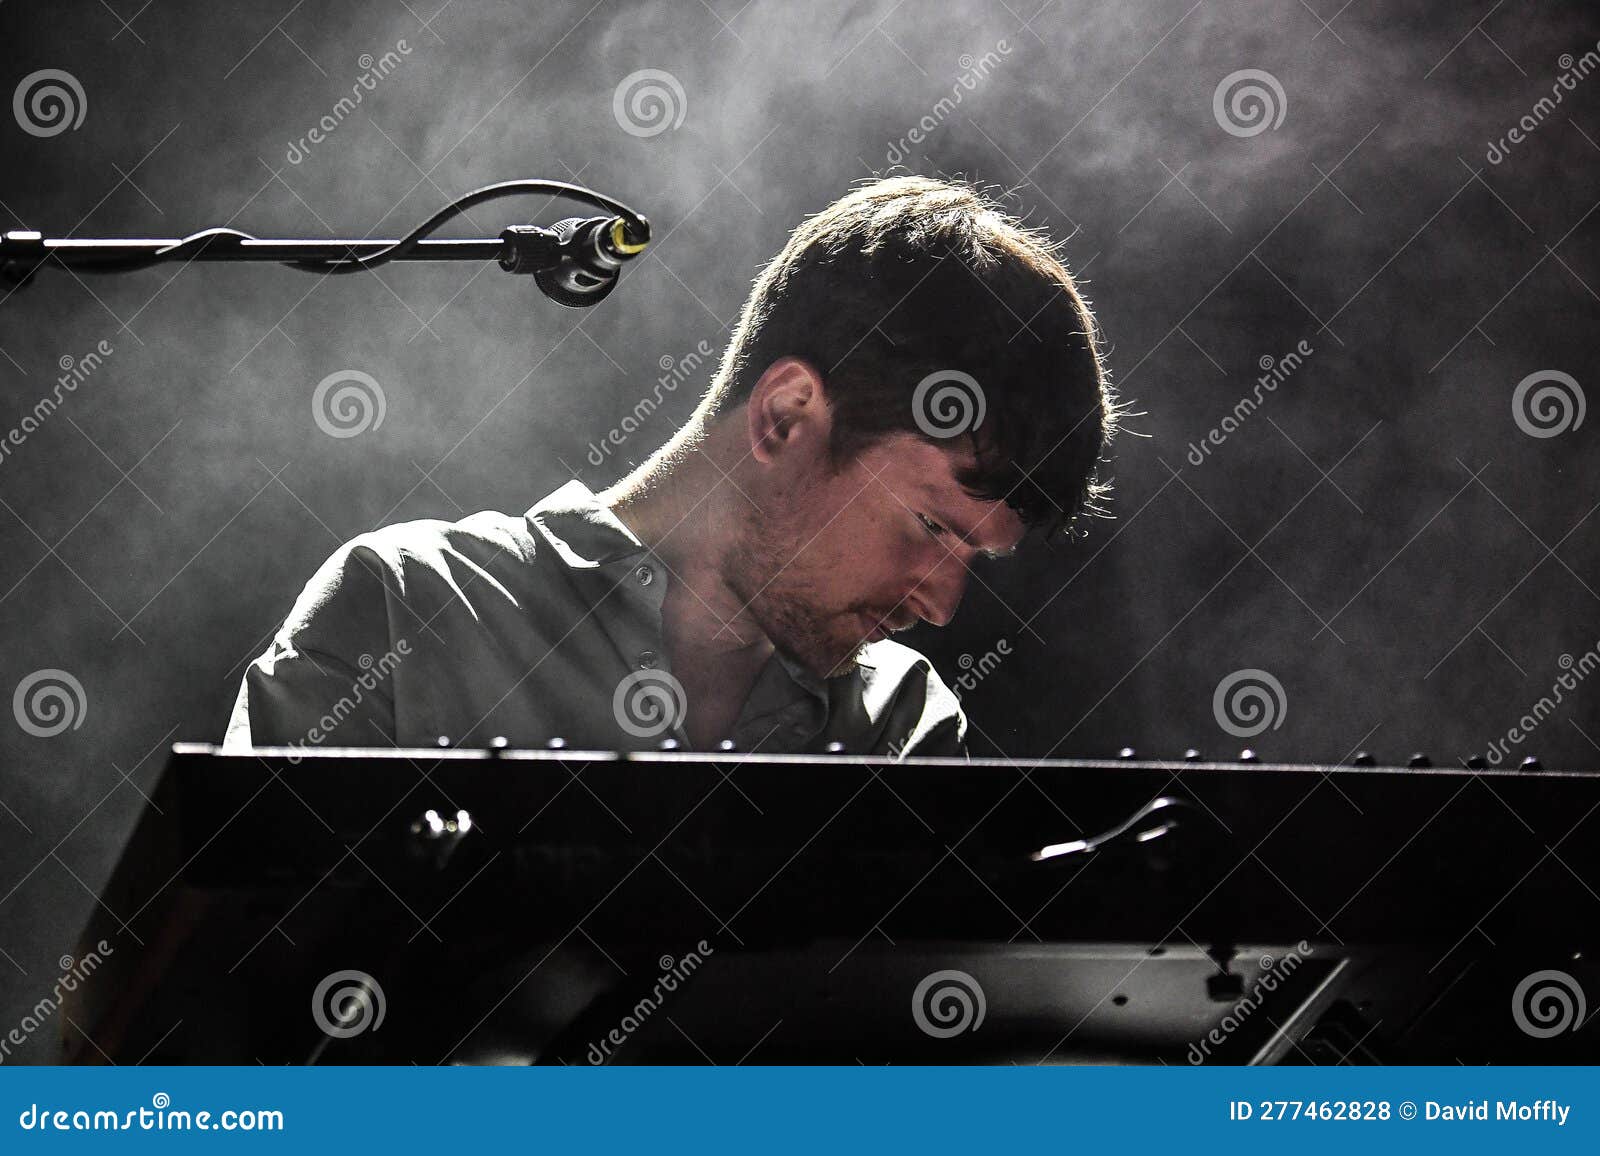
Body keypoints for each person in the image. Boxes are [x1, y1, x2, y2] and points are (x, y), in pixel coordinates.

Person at [224, 175, 1119, 757]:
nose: (940, 604)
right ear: (785, 416)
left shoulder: (903, 730)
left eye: (975, 559)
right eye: (932, 529)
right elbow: (229, 1003)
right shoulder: (411, 607)